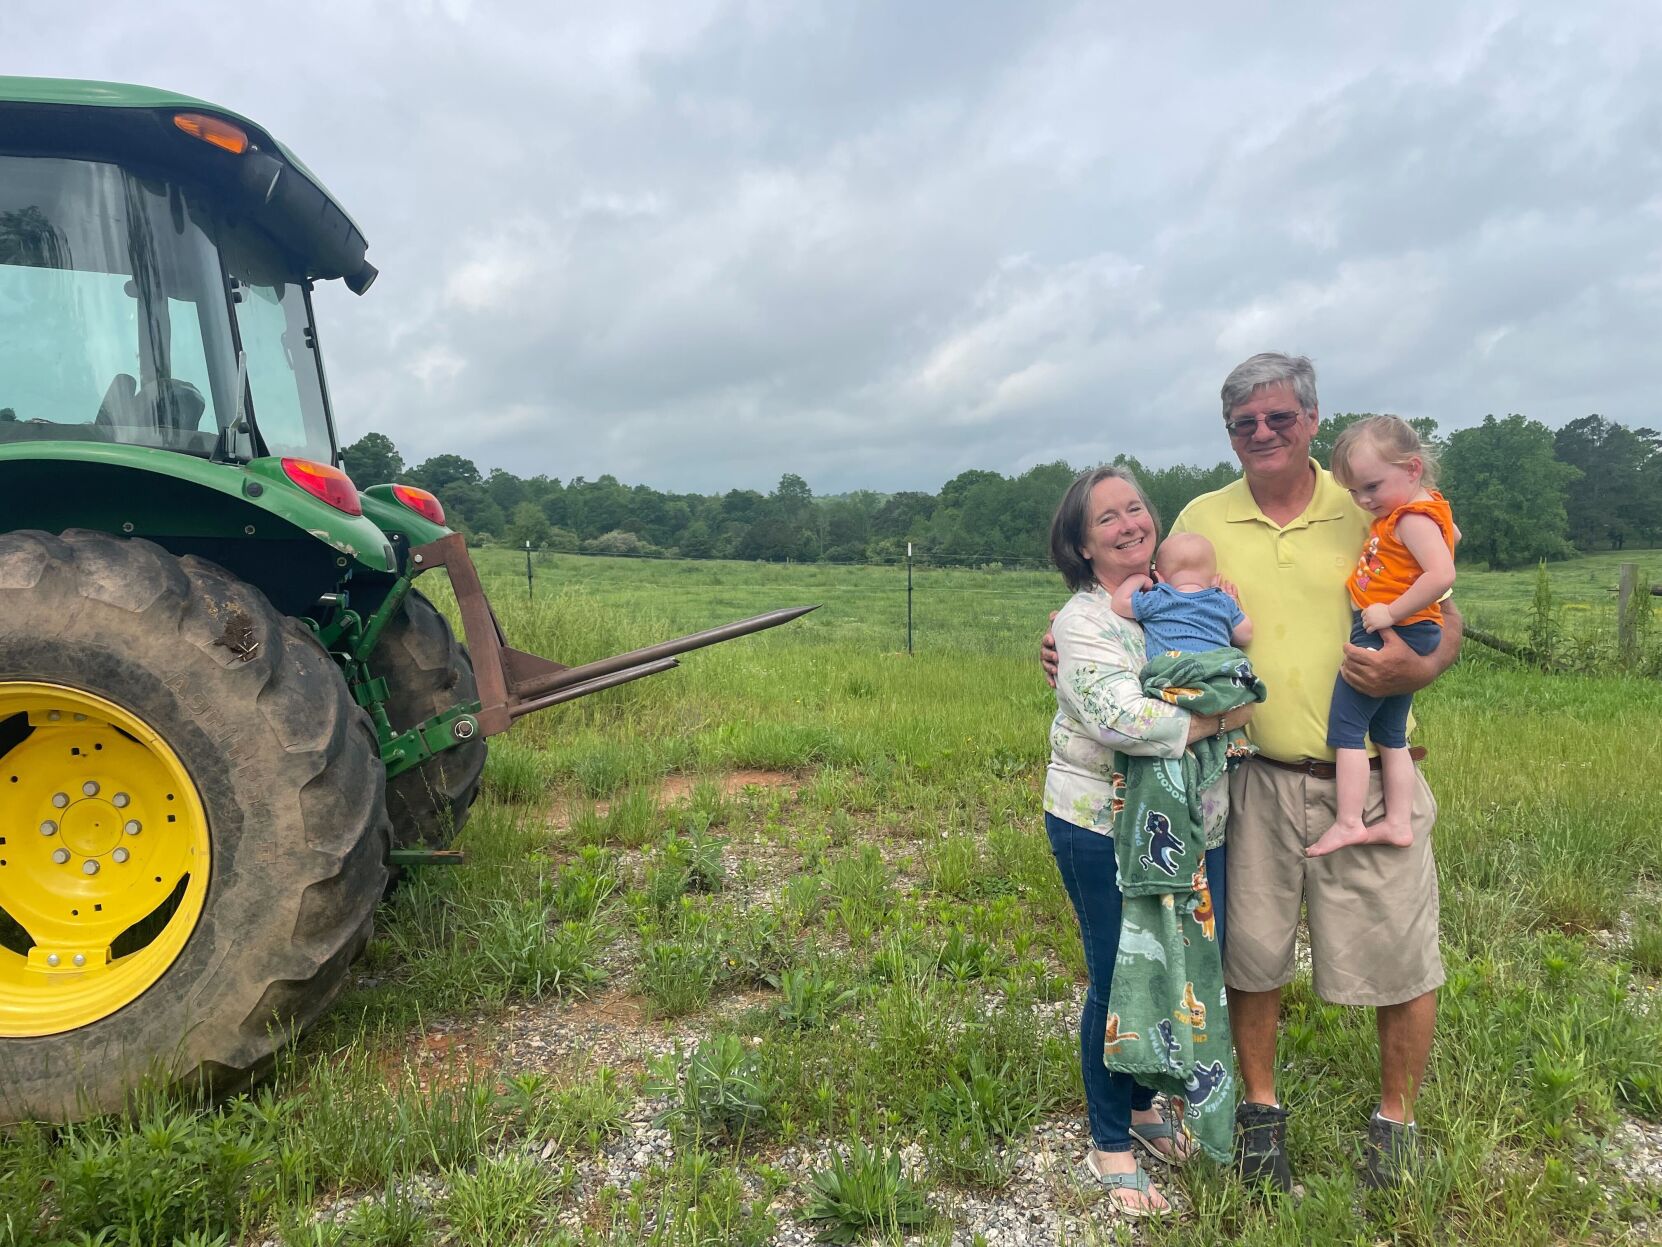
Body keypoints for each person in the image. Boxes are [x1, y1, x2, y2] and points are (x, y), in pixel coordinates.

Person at [1043, 354, 1460, 1191]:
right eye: (1245, 423)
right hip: (1246, 777)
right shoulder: (1201, 518)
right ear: (1228, 433)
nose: (1263, 433)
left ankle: (1395, 1125)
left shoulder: (1368, 499)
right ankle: (1259, 1118)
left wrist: (1420, 670)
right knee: (1248, 959)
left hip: (1369, 767)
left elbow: (1443, 618)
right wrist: (1059, 645)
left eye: (1279, 417)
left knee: (1401, 953)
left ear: (1311, 417)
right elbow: (1124, 615)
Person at [1044, 465, 1256, 1217]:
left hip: (1196, 827)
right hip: (1101, 825)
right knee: (1118, 978)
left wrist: (1231, 691)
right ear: (1081, 541)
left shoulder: (1192, 599)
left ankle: (1141, 1108)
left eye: (1136, 506)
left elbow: (1240, 666)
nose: (1130, 522)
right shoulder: (1083, 621)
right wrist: (1222, 717)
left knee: (1175, 973)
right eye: (1108, 517)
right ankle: (1109, 1141)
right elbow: (1122, 720)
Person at [1306, 417, 1456, 858]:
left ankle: (1349, 821)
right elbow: (1453, 539)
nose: (1363, 500)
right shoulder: (1429, 508)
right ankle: (1396, 822)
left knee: (1348, 730)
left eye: (1371, 487)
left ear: (1412, 469)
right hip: (1414, 628)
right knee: (1390, 733)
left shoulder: (1409, 518)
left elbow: (1443, 572)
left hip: (1393, 627)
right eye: (1353, 492)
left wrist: (1390, 610)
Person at [1110, 532, 1254, 654]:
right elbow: (1245, 635)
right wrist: (1232, 600)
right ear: (1214, 579)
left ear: (1159, 578)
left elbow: (1119, 604)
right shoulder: (1221, 601)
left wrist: (1139, 578)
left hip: (1175, 674)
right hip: (1218, 671)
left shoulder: (1158, 599)